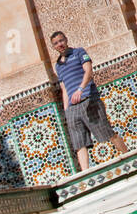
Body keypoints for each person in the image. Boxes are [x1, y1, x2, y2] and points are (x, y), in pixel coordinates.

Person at [51, 31, 127, 172]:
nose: (60, 44)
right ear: (54, 47)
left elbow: (88, 71)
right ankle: (85, 174)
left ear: (66, 40)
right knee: (79, 142)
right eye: (56, 43)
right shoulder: (58, 66)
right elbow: (64, 89)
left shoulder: (79, 52)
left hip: (89, 99)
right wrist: (66, 110)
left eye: (61, 41)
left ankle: (128, 156)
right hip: (73, 109)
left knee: (107, 132)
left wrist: (80, 89)